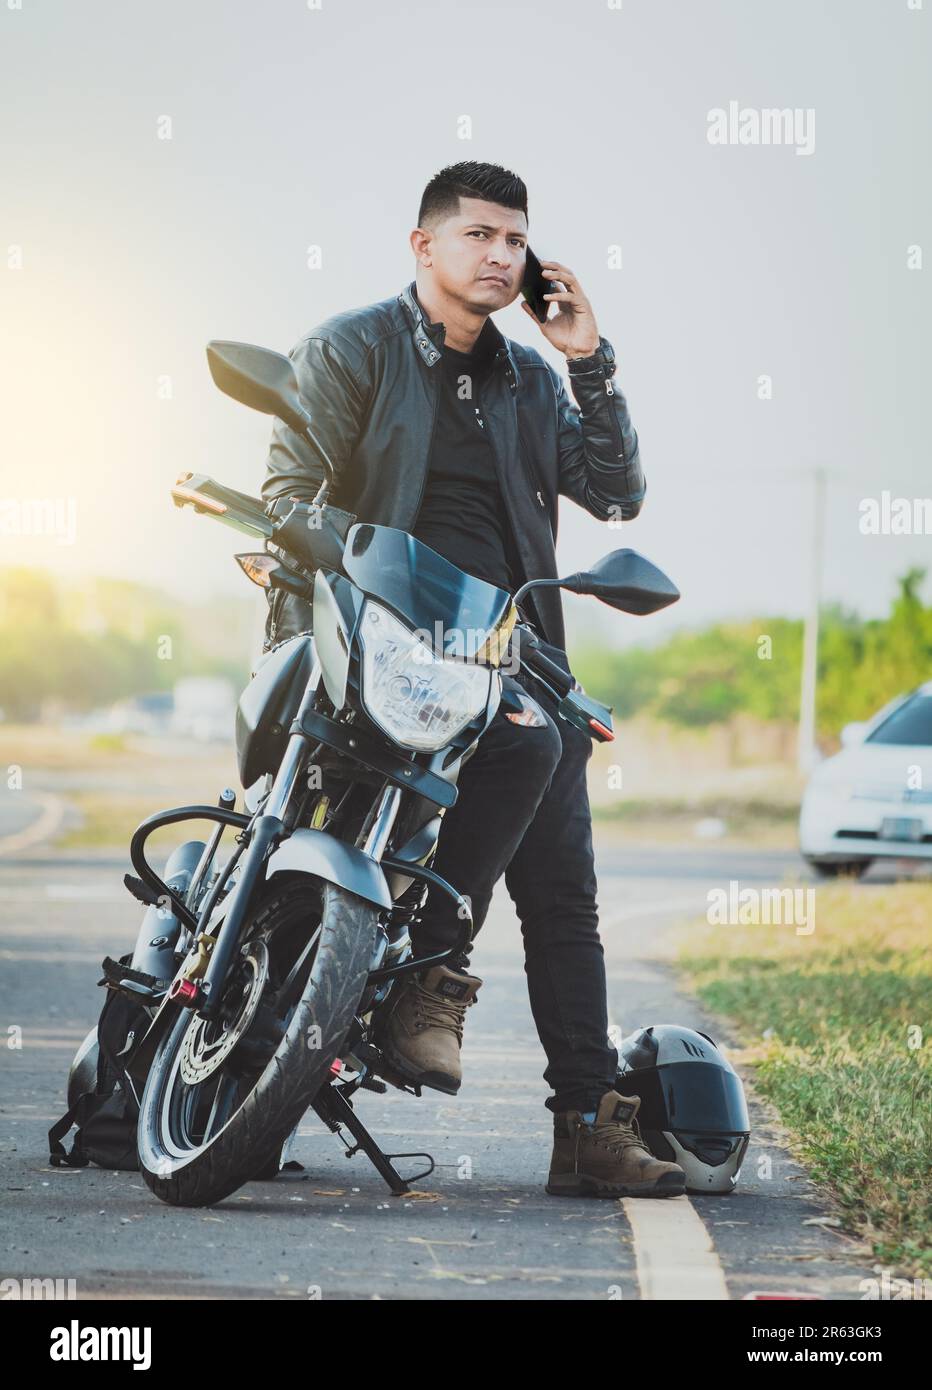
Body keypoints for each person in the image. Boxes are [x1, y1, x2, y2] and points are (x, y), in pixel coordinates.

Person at [261, 161, 685, 1198]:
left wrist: (586, 360)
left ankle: (584, 1122)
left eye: (515, 241)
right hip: (369, 646)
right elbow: (286, 496)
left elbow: (616, 495)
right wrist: (365, 577)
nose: (501, 256)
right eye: (479, 236)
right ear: (424, 246)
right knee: (283, 860)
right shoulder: (348, 348)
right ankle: (260, 1070)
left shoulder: (532, 379)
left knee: (563, 895)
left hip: (512, 658)